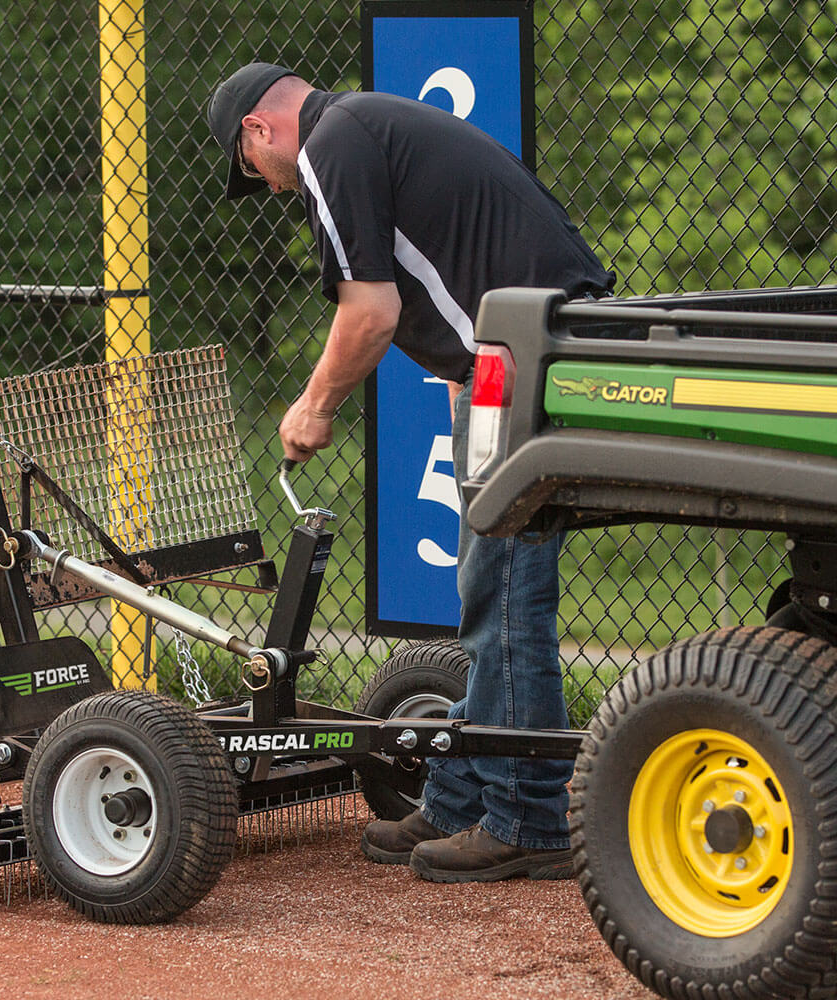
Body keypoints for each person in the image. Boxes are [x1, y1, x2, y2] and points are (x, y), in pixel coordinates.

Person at [205, 62, 613, 882]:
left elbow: (372, 311)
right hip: (522, 357)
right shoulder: (362, 125)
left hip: (526, 365)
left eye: (258, 172)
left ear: (259, 131)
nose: (275, 189)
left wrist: (314, 406)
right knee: (487, 594)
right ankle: (465, 797)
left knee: (504, 592)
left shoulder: (331, 143)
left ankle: (530, 820)